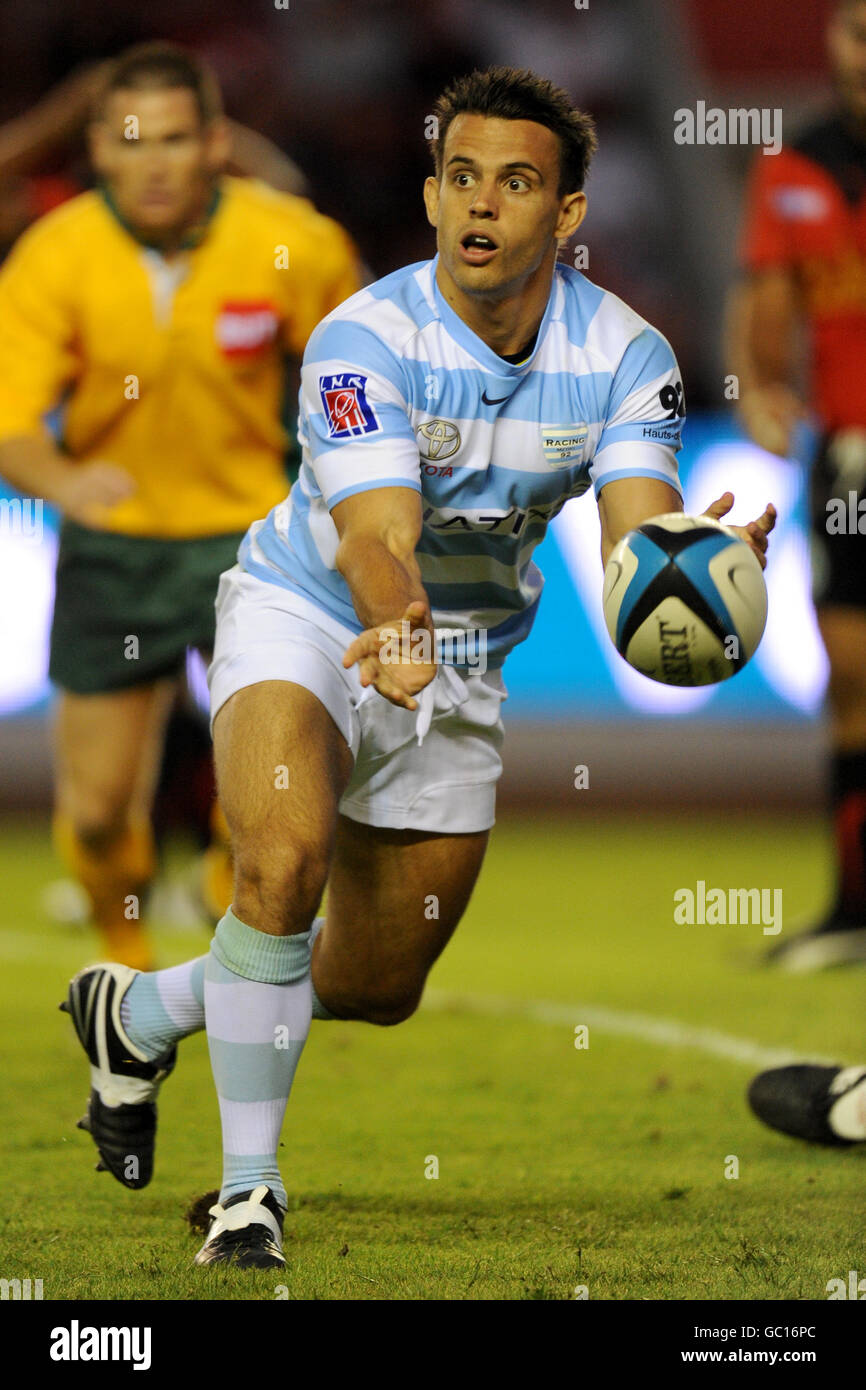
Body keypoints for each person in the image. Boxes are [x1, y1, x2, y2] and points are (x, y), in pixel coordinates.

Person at [61, 65, 775, 1268]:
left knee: (374, 982)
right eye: (459, 178)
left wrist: (687, 564)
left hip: (462, 663)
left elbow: (632, 533)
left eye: (515, 181)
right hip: (309, 616)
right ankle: (248, 1196)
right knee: (275, 871)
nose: (480, 204)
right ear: (434, 197)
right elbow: (372, 535)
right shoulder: (362, 338)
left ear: (569, 213)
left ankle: (138, 1011)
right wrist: (390, 624)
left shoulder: (626, 355)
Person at [0, 42, 361, 970]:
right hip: (114, 548)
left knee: (272, 775)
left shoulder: (291, 242)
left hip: (255, 542)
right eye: (132, 140)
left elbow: (365, 363)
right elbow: (11, 427)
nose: (153, 161)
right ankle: (128, 969)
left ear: (215, 146)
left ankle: (223, 871)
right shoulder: (55, 255)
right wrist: (67, 481)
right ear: (97, 149)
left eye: (174, 139)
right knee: (94, 807)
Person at [728, 0, 866, 970]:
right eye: (858, 29)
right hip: (849, 455)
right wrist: (760, 384)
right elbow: (763, 298)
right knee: (851, 681)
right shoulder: (793, 164)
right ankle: (854, 910)